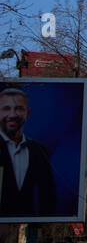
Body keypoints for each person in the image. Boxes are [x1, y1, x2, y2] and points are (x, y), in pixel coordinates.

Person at [0, 87, 59, 218]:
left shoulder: (39, 151)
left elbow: (48, 196)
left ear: (28, 113)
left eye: (19, 108)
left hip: (26, 227)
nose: (13, 115)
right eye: (6, 108)